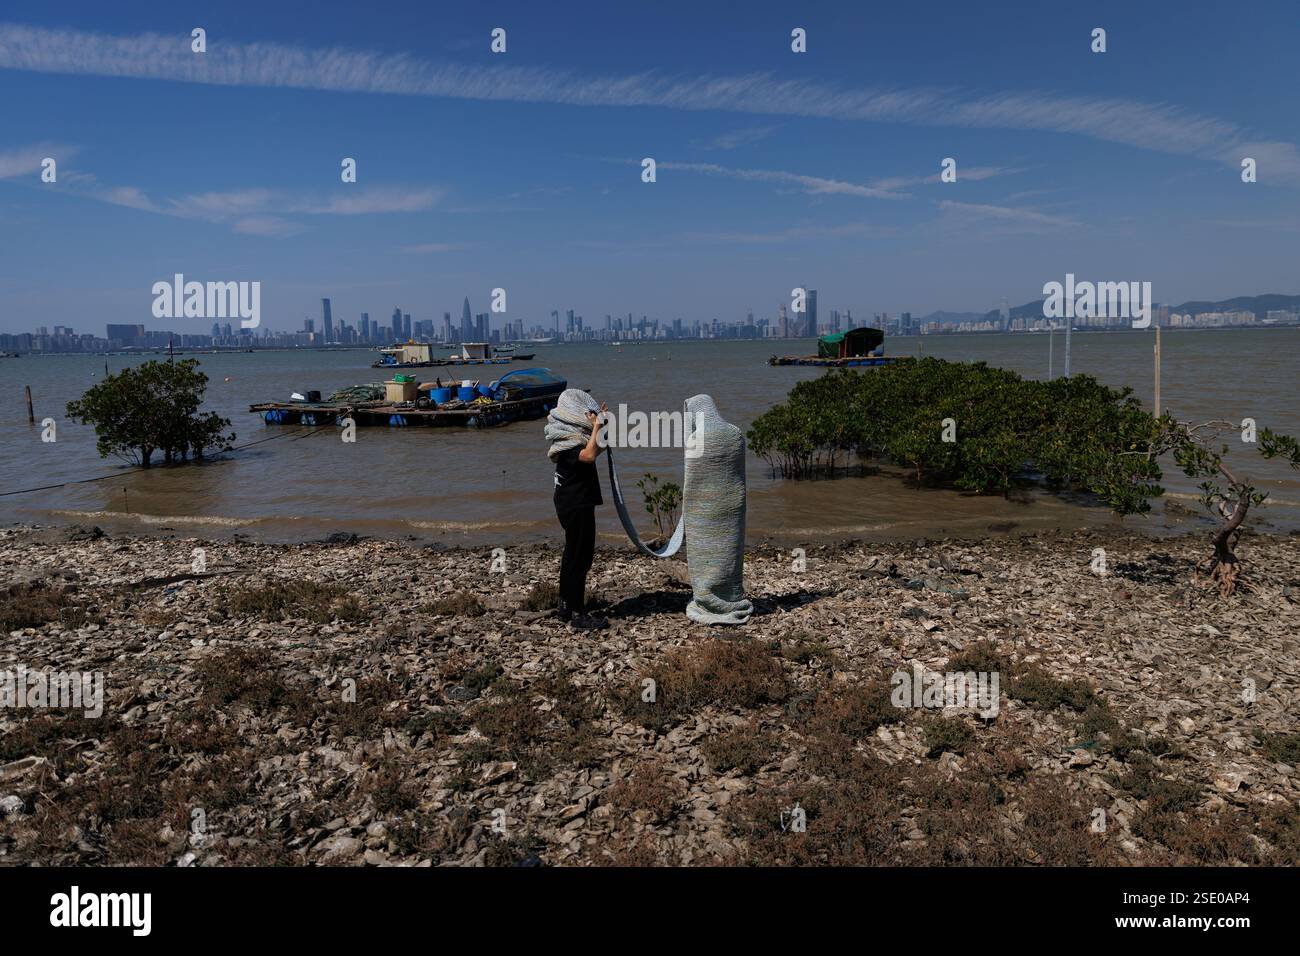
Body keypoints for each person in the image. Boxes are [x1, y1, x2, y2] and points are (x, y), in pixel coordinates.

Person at [545, 390, 609, 628]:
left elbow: (598, 448)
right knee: (580, 557)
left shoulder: (568, 441)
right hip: (576, 503)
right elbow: (591, 455)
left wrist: (601, 425)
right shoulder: (569, 445)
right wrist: (596, 426)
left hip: (571, 502)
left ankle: (565, 606)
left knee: (572, 554)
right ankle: (577, 613)